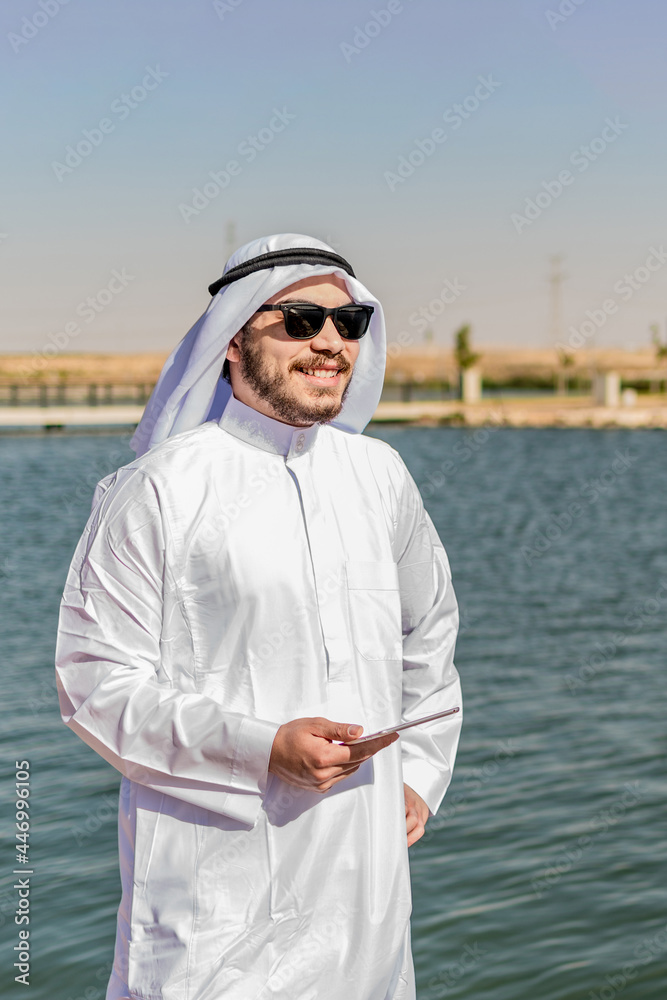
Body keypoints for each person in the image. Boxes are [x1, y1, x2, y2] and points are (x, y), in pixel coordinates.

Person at [55, 233, 463, 1000]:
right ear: (235, 341)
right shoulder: (158, 489)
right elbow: (93, 683)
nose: (330, 343)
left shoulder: (378, 475)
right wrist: (262, 747)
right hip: (215, 890)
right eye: (302, 321)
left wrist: (419, 771)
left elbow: (429, 631)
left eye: (350, 325)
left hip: (362, 885)